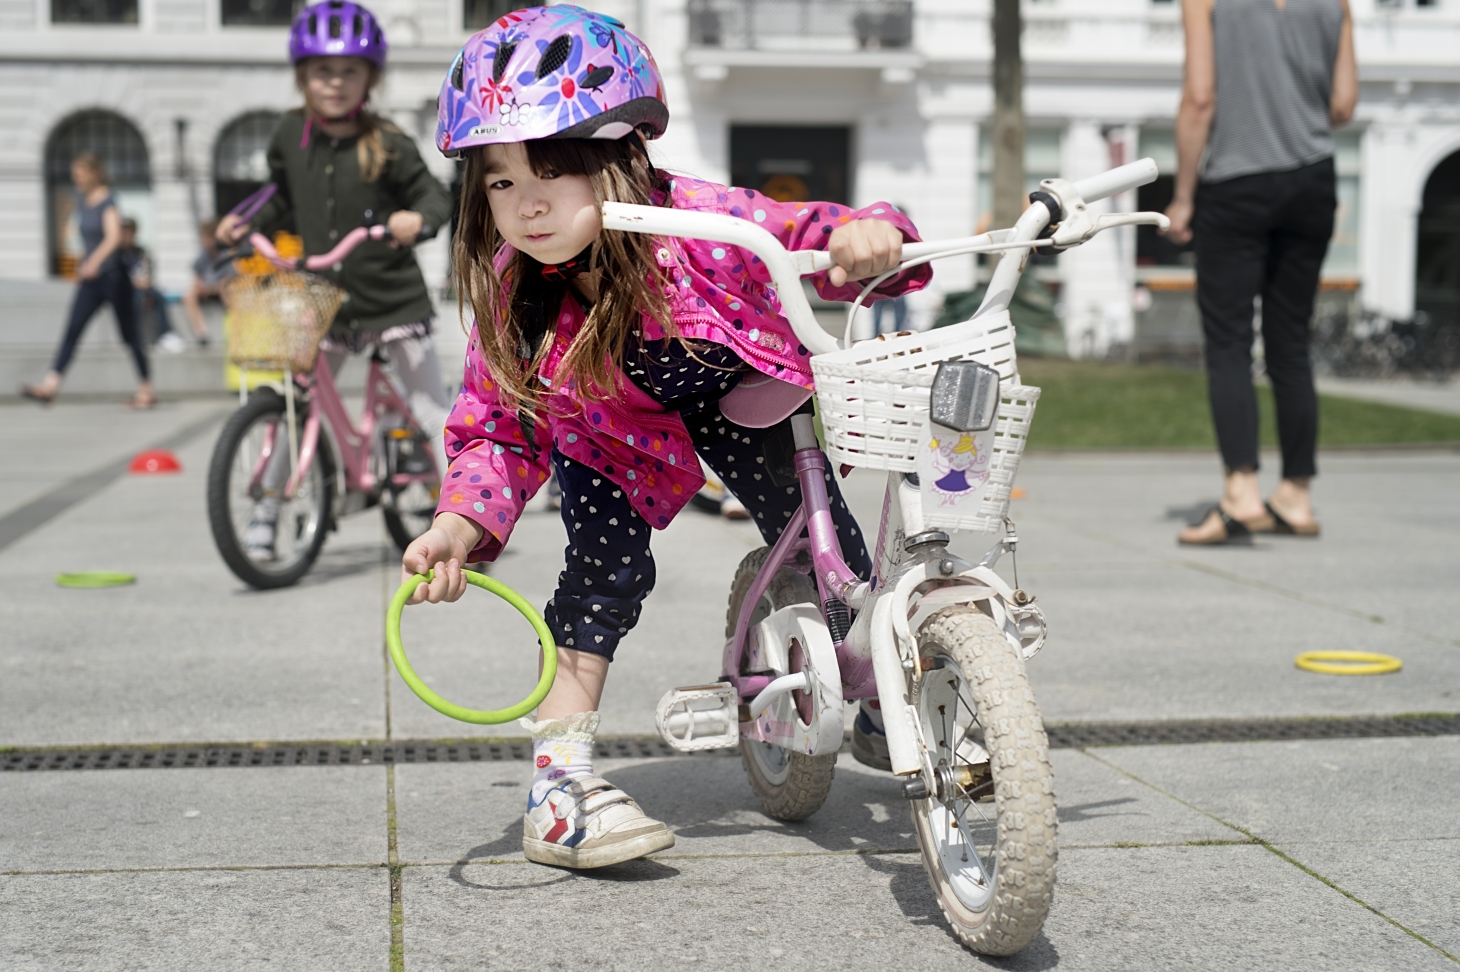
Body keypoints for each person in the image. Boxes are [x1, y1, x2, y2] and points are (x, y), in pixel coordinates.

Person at [400, 5, 929, 870]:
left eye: (551, 171)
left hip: (735, 388)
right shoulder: (516, 293)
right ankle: (559, 783)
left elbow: (797, 232)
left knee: (826, 537)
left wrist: (867, 234)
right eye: (498, 182)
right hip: (609, 433)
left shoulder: (693, 218)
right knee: (599, 578)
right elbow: (496, 426)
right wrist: (462, 521)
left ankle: (875, 694)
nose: (525, 204)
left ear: (621, 157)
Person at [216, 0, 453, 561]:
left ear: (370, 77)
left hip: (393, 304)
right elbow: (280, 199)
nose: (335, 82)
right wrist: (247, 222)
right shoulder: (290, 134)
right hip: (326, 305)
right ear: (303, 76)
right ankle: (268, 510)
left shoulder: (388, 141)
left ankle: (465, 518)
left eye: (349, 71)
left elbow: (433, 195)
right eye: (323, 71)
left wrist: (416, 220)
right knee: (295, 408)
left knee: (430, 410)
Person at [1163, 0, 1357, 544]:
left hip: (1237, 180)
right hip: (1313, 180)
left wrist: (1183, 197)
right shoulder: (1336, 3)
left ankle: (1242, 494)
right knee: (1290, 342)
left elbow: (1200, 98)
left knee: (1229, 342)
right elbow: (1343, 104)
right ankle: (1296, 496)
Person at [22, 153, 154, 408]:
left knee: (129, 335)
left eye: (80, 173)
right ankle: (51, 385)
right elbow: (89, 240)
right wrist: (84, 262)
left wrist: (93, 261)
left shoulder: (108, 200)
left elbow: (114, 237)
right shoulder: (83, 202)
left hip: (113, 278)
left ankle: (145, 389)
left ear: (94, 173)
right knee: (73, 329)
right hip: (91, 280)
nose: (76, 178)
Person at [117, 218, 185, 353]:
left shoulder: (141, 252)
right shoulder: (116, 254)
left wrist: (141, 283)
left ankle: (165, 334)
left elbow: (148, 275)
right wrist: (134, 283)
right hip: (123, 290)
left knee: (158, 295)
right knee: (136, 298)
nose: (126, 235)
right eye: (123, 232)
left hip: (142, 288)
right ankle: (134, 336)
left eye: (129, 231)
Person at [182, 218, 231, 347]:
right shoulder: (203, 256)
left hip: (222, 292)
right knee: (189, 296)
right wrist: (200, 288)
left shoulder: (226, 255)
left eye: (207, 237)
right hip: (208, 292)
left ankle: (234, 328)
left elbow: (228, 281)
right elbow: (196, 279)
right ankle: (202, 333)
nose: (204, 241)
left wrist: (210, 289)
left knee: (225, 290)